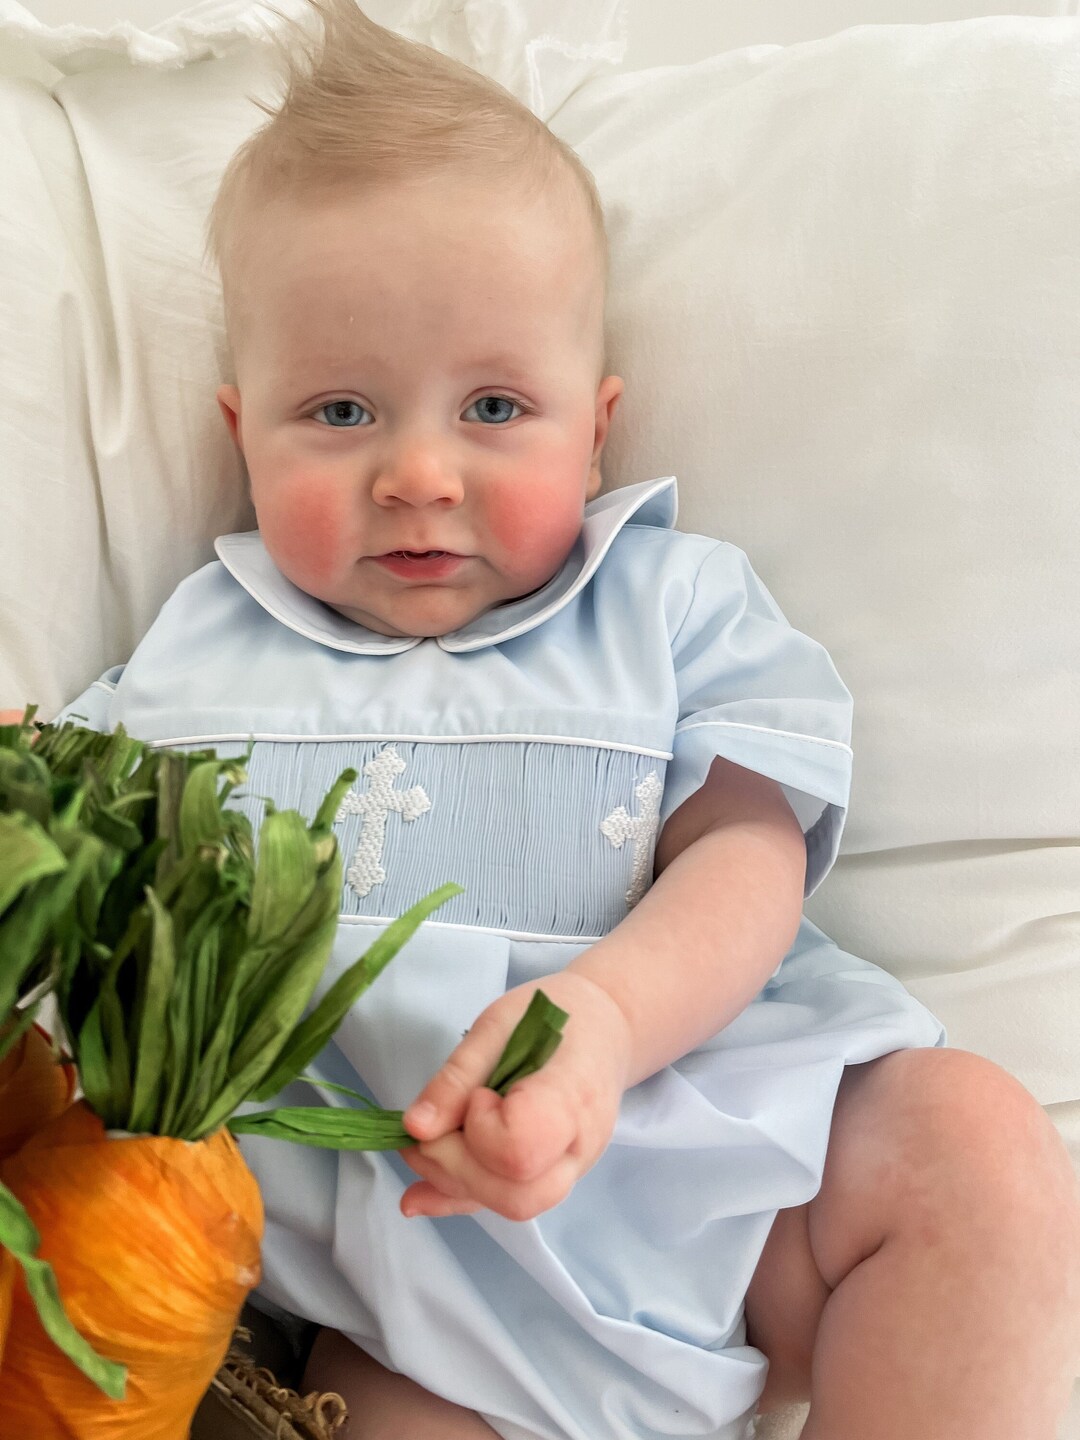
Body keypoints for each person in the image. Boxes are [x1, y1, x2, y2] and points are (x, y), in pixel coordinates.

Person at [26, 2, 1080, 1436]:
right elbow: (62, 831)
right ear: (239, 433)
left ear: (598, 427)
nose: (416, 473)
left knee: (979, 1154)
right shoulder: (192, 647)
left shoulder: (666, 601)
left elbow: (749, 859)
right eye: (339, 411)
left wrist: (606, 1019)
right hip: (409, 1279)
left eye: (494, 407)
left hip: (706, 1164)